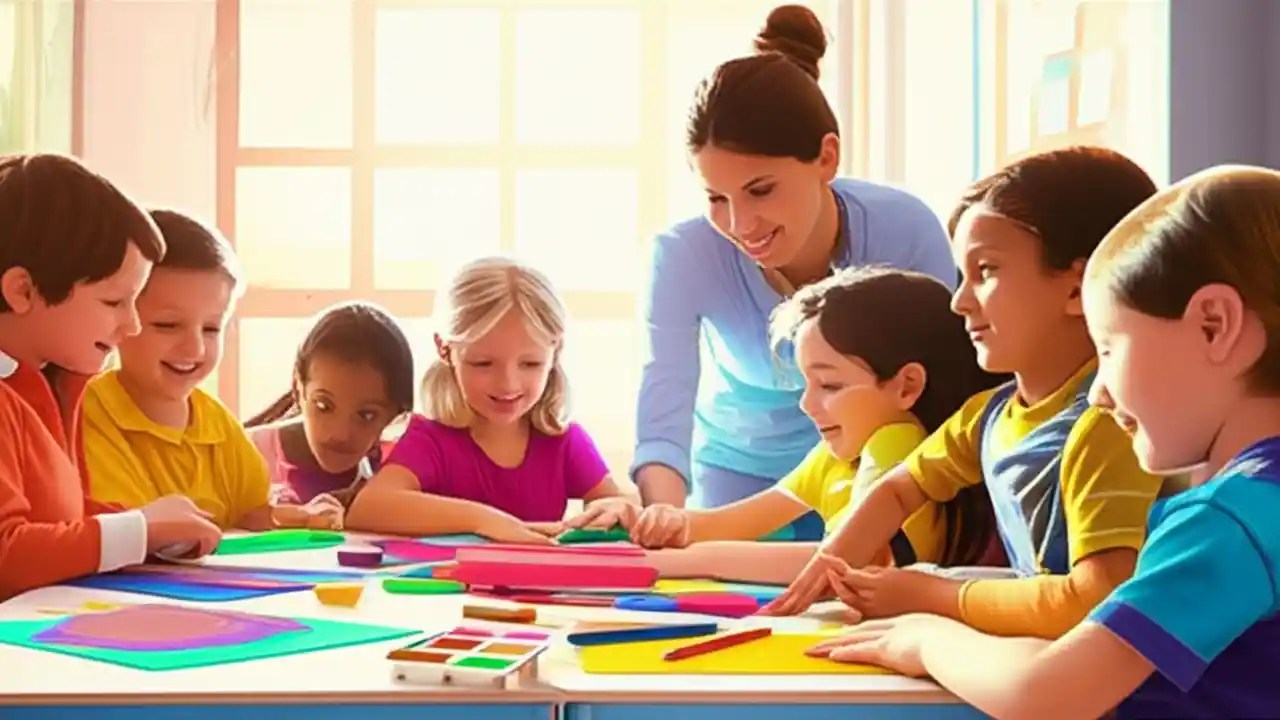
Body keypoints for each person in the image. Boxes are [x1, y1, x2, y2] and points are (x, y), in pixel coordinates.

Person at [807, 165, 1280, 720]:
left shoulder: (1231, 520)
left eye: (1109, 349)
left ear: (1213, 325)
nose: (1099, 394)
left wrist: (923, 638)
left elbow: (1046, 696)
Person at [764, 146, 1164, 641]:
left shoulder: (1109, 425)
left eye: (987, 271)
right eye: (962, 275)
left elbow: (1096, 599)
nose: (960, 300)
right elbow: (899, 487)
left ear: (1075, 288)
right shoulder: (990, 416)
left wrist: (927, 595)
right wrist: (827, 569)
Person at [632, 5, 956, 519]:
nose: (740, 224)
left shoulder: (907, 230)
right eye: (716, 198)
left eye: (760, 190)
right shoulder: (682, 256)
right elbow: (663, 412)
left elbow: (947, 392)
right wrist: (663, 517)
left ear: (827, 157)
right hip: (735, 483)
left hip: (877, 479)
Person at [622, 267, 1003, 585]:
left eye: (831, 385)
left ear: (908, 386)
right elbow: (736, 521)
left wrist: (688, 561)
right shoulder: (835, 458)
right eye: (808, 383)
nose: (806, 403)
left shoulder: (898, 441)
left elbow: (854, 559)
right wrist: (669, 522)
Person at [0, 154, 220, 599]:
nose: (132, 324)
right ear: (23, 290)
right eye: (114, 302)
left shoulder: (47, 387)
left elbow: (60, 523)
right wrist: (137, 530)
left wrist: (151, 530)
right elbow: (7, 555)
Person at [82, 209, 343, 531]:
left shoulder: (219, 427)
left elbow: (251, 513)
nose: (195, 349)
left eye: (211, 329)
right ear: (122, 319)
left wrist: (299, 516)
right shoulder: (89, 417)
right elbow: (129, 529)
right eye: (167, 325)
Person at [347, 256, 637, 542]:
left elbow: (621, 504)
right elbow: (368, 508)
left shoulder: (563, 440)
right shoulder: (431, 439)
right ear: (445, 350)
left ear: (555, 352)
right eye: (483, 364)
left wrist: (619, 507)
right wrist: (486, 521)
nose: (508, 384)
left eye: (530, 364)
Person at [245, 302, 416, 506]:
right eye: (324, 406)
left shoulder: (401, 473)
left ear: (395, 414)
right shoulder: (242, 455)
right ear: (299, 389)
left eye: (366, 415)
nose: (340, 434)